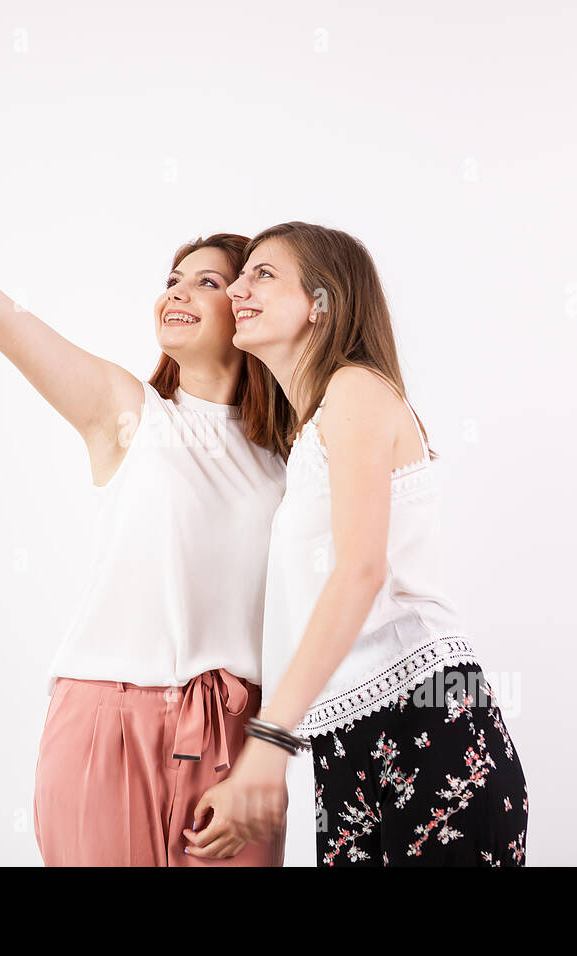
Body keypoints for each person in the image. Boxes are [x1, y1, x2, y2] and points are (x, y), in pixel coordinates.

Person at [0, 86, 288, 866]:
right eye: (174, 277)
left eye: (209, 281)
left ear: (250, 307)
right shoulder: (128, 412)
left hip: (237, 737)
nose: (178, 292)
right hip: (104, 722)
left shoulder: (293, 455)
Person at [182, 221, 529, 866]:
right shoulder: (312, 431)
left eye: (264, 274)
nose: (238, 291)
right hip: (349, 740)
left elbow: (359, 572)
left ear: (322, 301)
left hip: (428, 719)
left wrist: (267, 742)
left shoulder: (356, 389)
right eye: (241, 276)